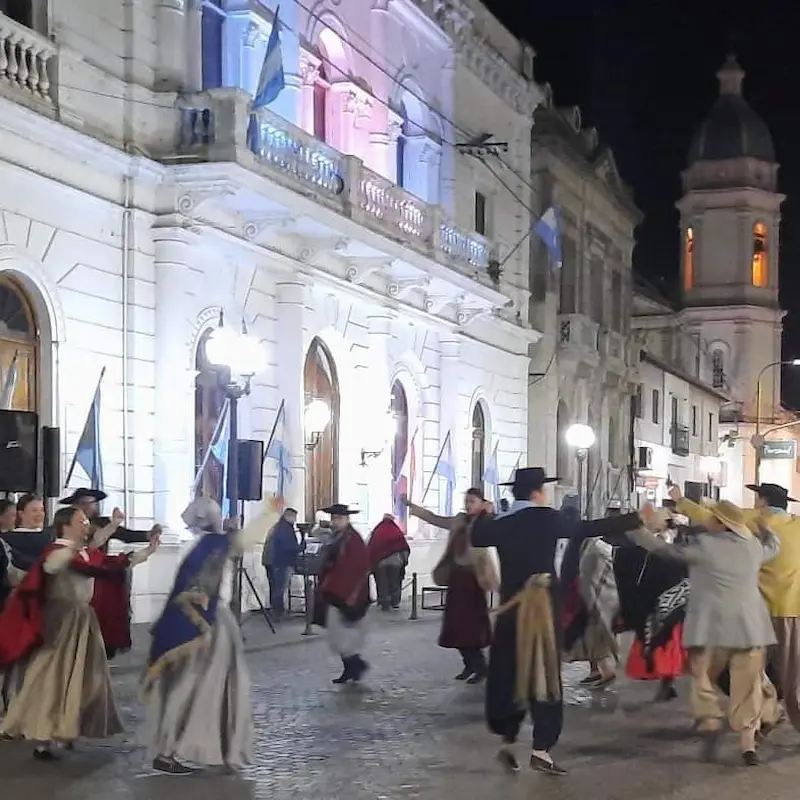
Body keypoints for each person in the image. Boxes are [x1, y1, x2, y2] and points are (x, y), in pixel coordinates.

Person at [470, 467, 645, 775]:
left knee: (509, 671)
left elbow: (478, 534)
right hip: (541, 609)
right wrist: (634, 519)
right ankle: (541, 748)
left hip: (511, 610)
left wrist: (484, 513)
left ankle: (507, 740)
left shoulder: (503, 521)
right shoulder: (547, 518)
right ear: (538, 491)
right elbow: (587, 528)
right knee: (544, 675)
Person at [628, 499, 781, 766]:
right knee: (748, 686)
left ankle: (709, 718)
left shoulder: (703, 547)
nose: (707, 519)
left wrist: (636, 529)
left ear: (721, 523)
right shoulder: (754, 547)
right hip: (749, 627)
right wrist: (766, 529)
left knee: (702, 675)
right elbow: (773, 547)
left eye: (712, 516)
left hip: (710, 627)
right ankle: (747, 741)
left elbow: (663, 551)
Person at [140, 497, 274, 775]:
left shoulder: (194, 545)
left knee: (197, 686)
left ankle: (203, 747)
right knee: (198, 685)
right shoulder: (212, 544)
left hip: (190, 623)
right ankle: (178, 750)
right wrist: (270, 511)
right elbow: (246, 539)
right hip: (206, 625)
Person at [0, 506, 126, 759]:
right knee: (51, 674)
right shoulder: (58, 552)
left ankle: (69, 726)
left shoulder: (81, 553)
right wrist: (73, 549)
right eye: (81, 521)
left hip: (83, 620)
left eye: (86, 520)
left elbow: (95, 557)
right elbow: (51, 567)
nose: (86, 525)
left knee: (85, 675)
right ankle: (42, 736)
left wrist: (114, 528)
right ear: (66, 525)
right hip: (59, 622)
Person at [673, 482, 800, 730]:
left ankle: (760, 714)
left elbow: (710, 517)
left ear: (762, 501)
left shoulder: (754, 520)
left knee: (745, 671)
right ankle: (788, 714)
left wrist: (680, 500)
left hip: (755, 613)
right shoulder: (797, 524)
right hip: (792, 609)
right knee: (790, 672)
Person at [406, 489, 499, 683]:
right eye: (467, 501)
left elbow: (499, 525)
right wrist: (414, 509)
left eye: (472, 501)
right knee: (456, 625)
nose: (468, 505)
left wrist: (488, 513)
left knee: (471, 627)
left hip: (473, 578)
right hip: (457, 577)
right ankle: (468, 664)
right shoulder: (459, 520)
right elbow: (436, 519)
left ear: (482, 503)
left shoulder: (485, 521)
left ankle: (480, 666)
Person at [87, 516, 161, 659]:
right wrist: (113, 524)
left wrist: (150, 548)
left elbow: (124, 559)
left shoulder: (105, 561)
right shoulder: (79, 553)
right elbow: (95, 544)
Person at [315, 504, 372, 685]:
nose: (336, 522)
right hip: (334, 591)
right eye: (334, 519)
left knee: (341, 637)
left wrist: (349, 592)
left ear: (347, 519)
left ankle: (355, 666)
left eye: (339, 519)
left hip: (346, 593)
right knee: (337, 636)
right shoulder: (336, 537)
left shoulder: (353, 539)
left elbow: (357, 567)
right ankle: (352, 668)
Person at [367, 514, 410, 611]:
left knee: (382, 583)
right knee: (395, 581)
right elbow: (403, 547)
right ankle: (395, 602)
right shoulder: (396, 530)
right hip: (396, 562)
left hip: (380, 563)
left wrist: (372, 562)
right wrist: (404, 561)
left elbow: (371, 546)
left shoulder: (377, 530)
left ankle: (384, 602)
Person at [265, 507, 301, 616]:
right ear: (288, 516)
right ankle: (277, 612)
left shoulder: (278, 526)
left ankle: (275, 610)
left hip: (270, 561)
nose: (295, 520)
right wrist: (300, 548)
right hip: (280, 562)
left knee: (275, 587)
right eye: (294, 517)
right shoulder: (284, 529)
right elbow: (288, 546)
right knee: (279, 587)